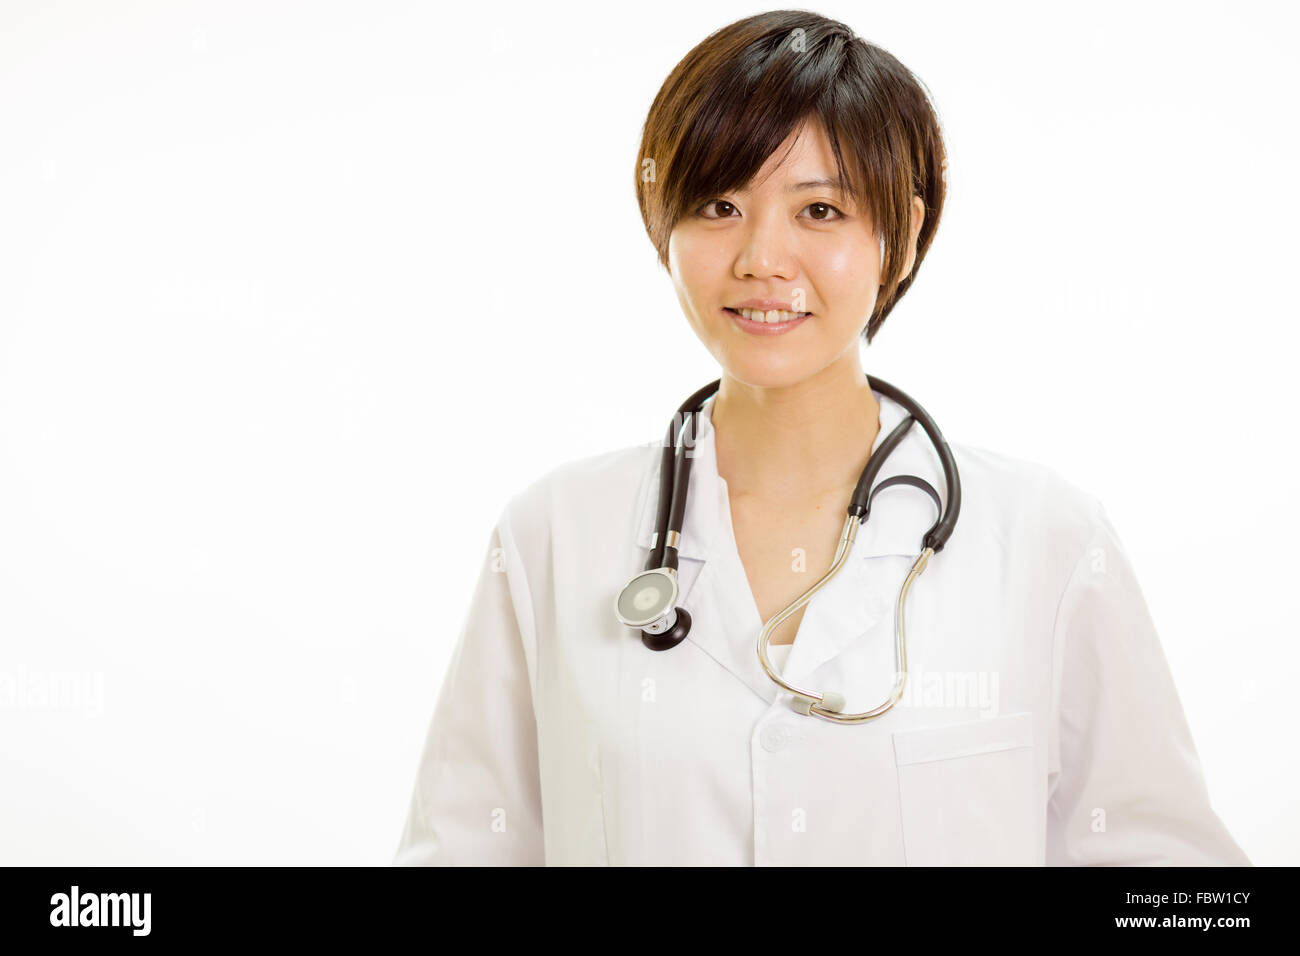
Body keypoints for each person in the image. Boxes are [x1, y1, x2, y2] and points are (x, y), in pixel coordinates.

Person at [392, 10, 1249, 866]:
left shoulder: (1047, 543)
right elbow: (462, 848)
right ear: (664, 224)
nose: (763, 259)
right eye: (719, 205)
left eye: (821, 209)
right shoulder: (555, 535)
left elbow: (1176, 887)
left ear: (902, 238)